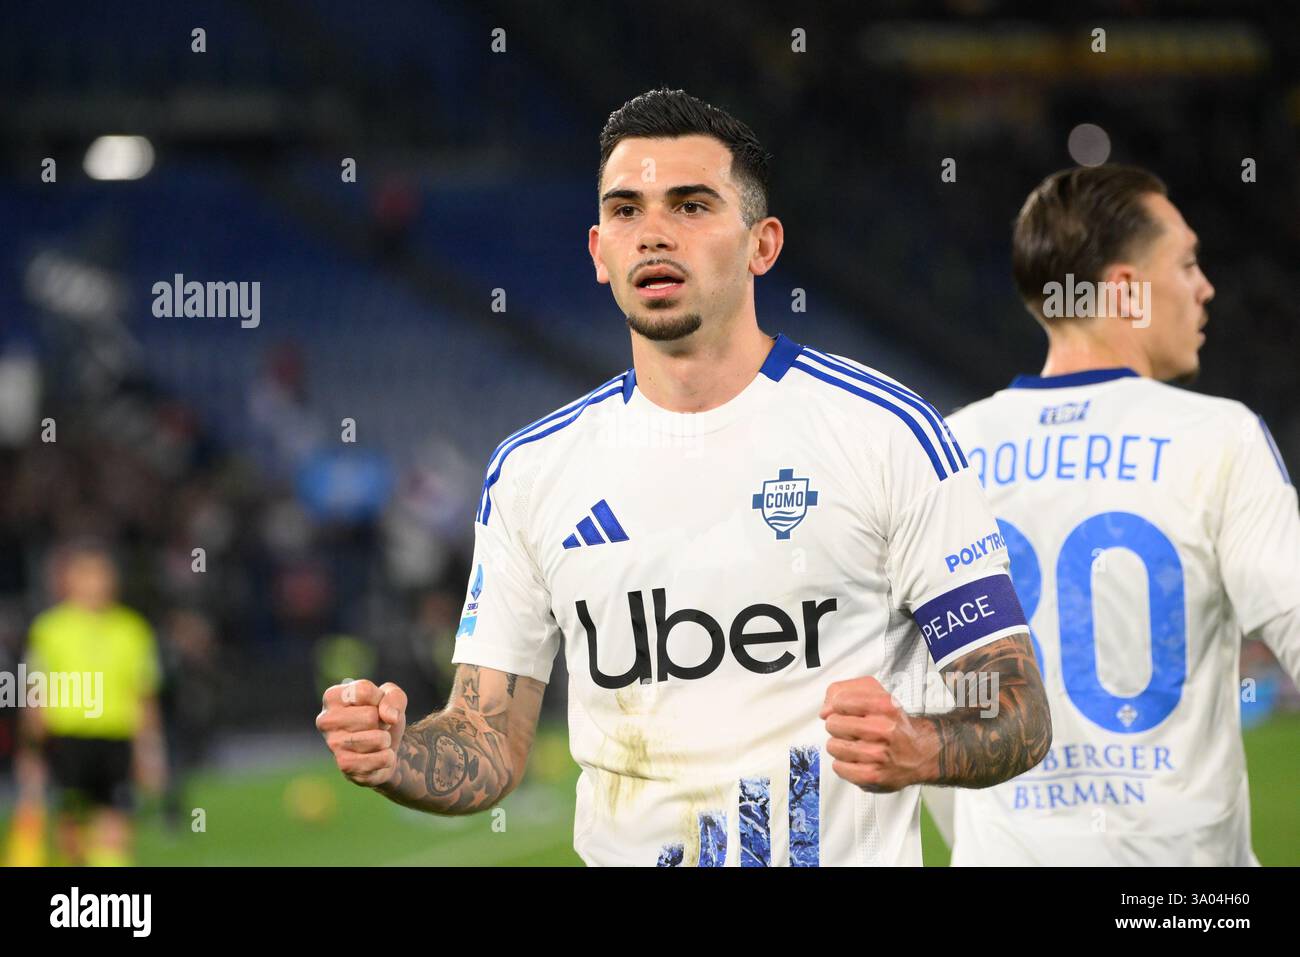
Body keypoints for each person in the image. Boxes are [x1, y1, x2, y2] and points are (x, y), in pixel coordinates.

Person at [317, 88, 1051, 866]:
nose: (654, 233)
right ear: (598, 251)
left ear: (762, 245)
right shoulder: (532, 472)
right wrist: (399, 757)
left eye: (691, 205)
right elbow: (487, 737)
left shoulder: (887, 436)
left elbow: (1017, 707)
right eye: (626, 210)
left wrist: (924, 743)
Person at [924, 164, 1300, 865]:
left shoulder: (945, 452)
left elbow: (910, 696)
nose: (1205, 287)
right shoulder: (1219, 436)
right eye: (1187, 263)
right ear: (1125, 290)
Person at [23, 539, 166, 865]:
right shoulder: (49, 630)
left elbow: (144, 695)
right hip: (68, 740)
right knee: (70, 831)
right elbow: (35, 693)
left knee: (116, 825)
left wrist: (151, 752)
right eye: (86, 575)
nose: (95, 584)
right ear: (69, 580)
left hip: (116, 738)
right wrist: (32, 752)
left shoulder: (132, 630)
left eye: (101, 575)